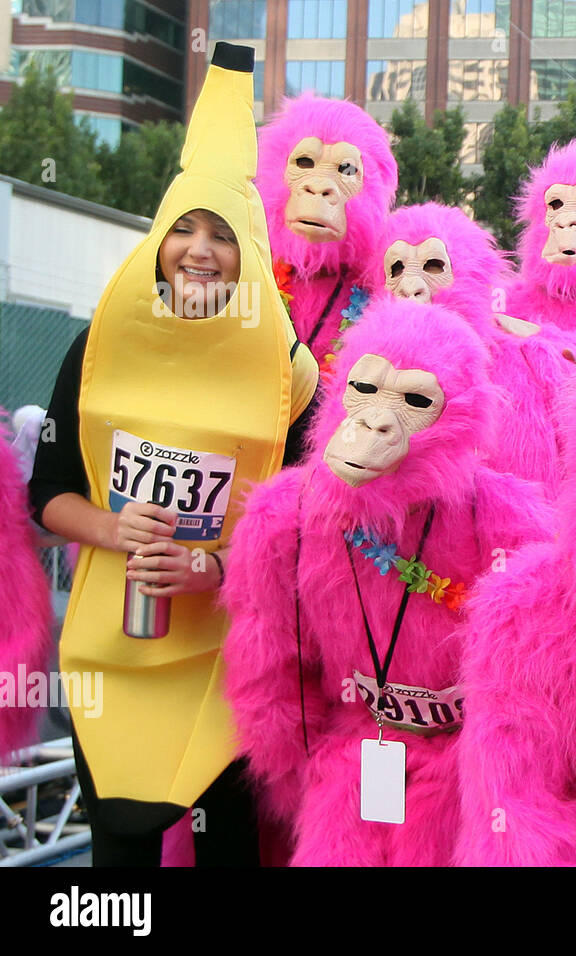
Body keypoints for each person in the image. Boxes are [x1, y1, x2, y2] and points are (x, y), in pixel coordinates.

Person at [27, 42, 317, 866]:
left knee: (223, 850)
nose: (199, 249)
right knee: (116, 855)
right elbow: (46, 494)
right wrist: (120, 532)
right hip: (109, 655)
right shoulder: (98, 348)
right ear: (156, 240)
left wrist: (213, 569)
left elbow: (300, 525)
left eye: (222, 235)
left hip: (223, 664)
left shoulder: (290, 375)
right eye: (181, 228)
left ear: (249, 255)